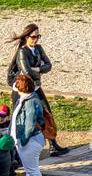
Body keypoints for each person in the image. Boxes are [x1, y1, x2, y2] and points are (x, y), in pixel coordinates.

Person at [7, 23, 66, 155]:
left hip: (36, 86)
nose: (36, 39)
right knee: (18, 118)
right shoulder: (22, 51)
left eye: (38, 36)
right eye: (33, 37)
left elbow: (49, 65)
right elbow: (26, 71)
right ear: (26, 37)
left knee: (46, 112)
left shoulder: (38, 49)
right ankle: (13, 152)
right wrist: (38, 70)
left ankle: (53, 144)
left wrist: (38, 69)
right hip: (22, 89)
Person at [10, 75, 45, 176]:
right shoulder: (24, 99)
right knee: (29, 171)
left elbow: (29, 125)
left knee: (33, 171)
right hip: (24, 141)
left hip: (29, 141)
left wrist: (22, 141)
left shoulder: (30, 101)